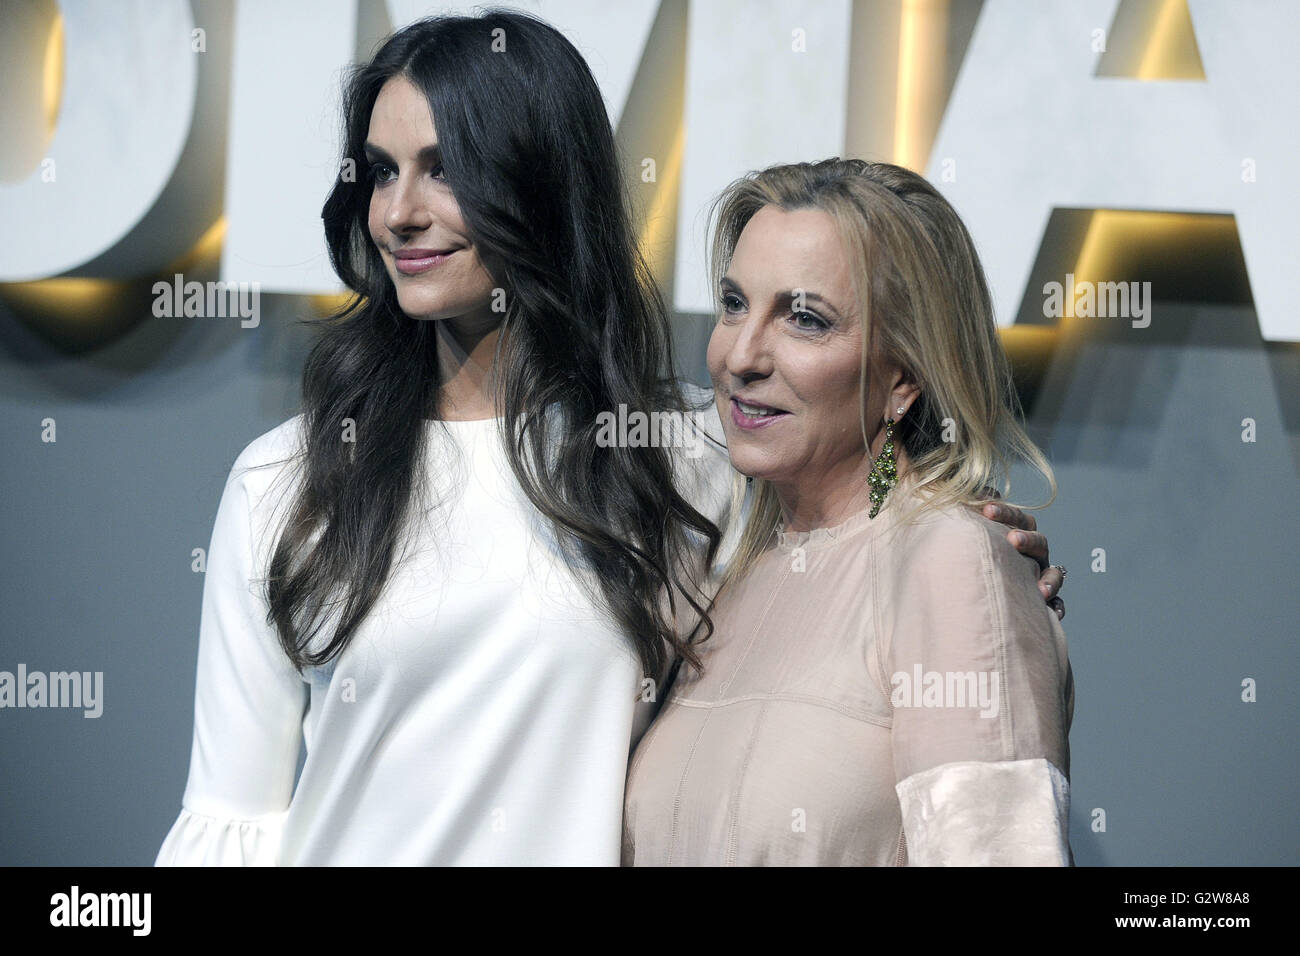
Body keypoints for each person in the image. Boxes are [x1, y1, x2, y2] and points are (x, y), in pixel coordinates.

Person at [156, 12, 1063, 866]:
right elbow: (233, 825)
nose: (400, 212)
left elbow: (862, 529)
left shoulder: (685, 462)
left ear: (541, 184)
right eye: (382, 171)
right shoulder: (287, 480)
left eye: (446, 168)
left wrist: (970, 556)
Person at [623, 159, 1074, 866]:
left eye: (804, 319)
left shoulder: (951, 562)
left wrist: (984, 587)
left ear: (904, 379)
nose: (741, 355)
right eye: (735, 304)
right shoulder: (725, 572)